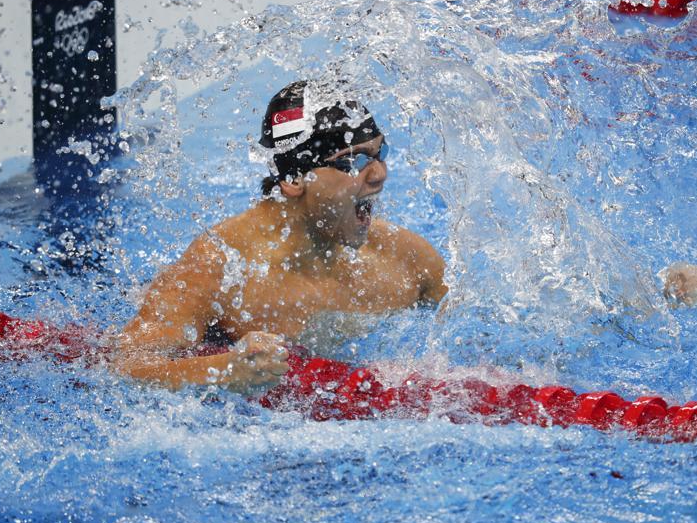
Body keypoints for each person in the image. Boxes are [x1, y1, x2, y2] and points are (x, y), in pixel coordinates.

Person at [114, 81, 448, 393]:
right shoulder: (222, 265)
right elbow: (126, 363)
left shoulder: (407, 259)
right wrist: (224, 371)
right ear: (293, 179)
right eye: (353, 160)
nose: (379, 174)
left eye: (379, 154)